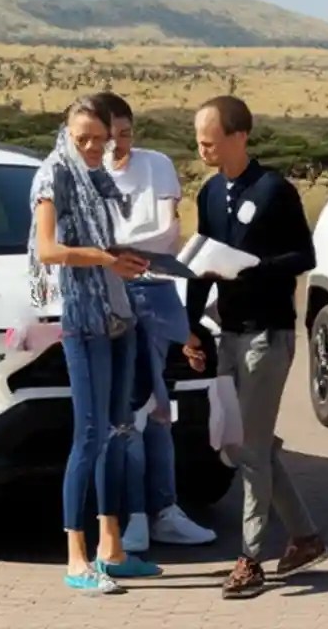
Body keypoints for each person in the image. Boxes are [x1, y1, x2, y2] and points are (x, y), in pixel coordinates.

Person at [182, 95, 328, 600]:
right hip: (228, 332)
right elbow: (202, 260)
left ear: (239, 136)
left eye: (210, 139)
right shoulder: (208, 194)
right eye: (199, 139)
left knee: (250, 450)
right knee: (243, 443)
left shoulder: (274, 191)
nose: (202, 147)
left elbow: (303, 255)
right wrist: (190, 329)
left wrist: (254, 268)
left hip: (269, 335)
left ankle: (250, 559)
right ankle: (306, 537)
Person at [28, 94, 163, 594]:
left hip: (117, 314)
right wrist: (107, 260)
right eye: (81, 138)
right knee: (87, 437)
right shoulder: (53, 176)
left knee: (117, 431)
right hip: (82, 319)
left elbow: (107, 246)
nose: (90, 147)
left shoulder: (99, 178)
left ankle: (112, 548)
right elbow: (48, 249)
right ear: (66, 132)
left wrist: (124, 259)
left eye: (99, 139)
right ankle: (76, 556)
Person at [91, 91, 218, 553]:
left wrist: (114, 251)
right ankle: (136, 515)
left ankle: (162, 511)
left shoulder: (156, 165)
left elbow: (168, 233)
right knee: (130, 413)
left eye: (125, 134)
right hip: (108, 297)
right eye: (110, 137)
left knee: (158, 411)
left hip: (153, 291)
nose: (118, 146)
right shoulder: (84, 172)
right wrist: (119, 255)